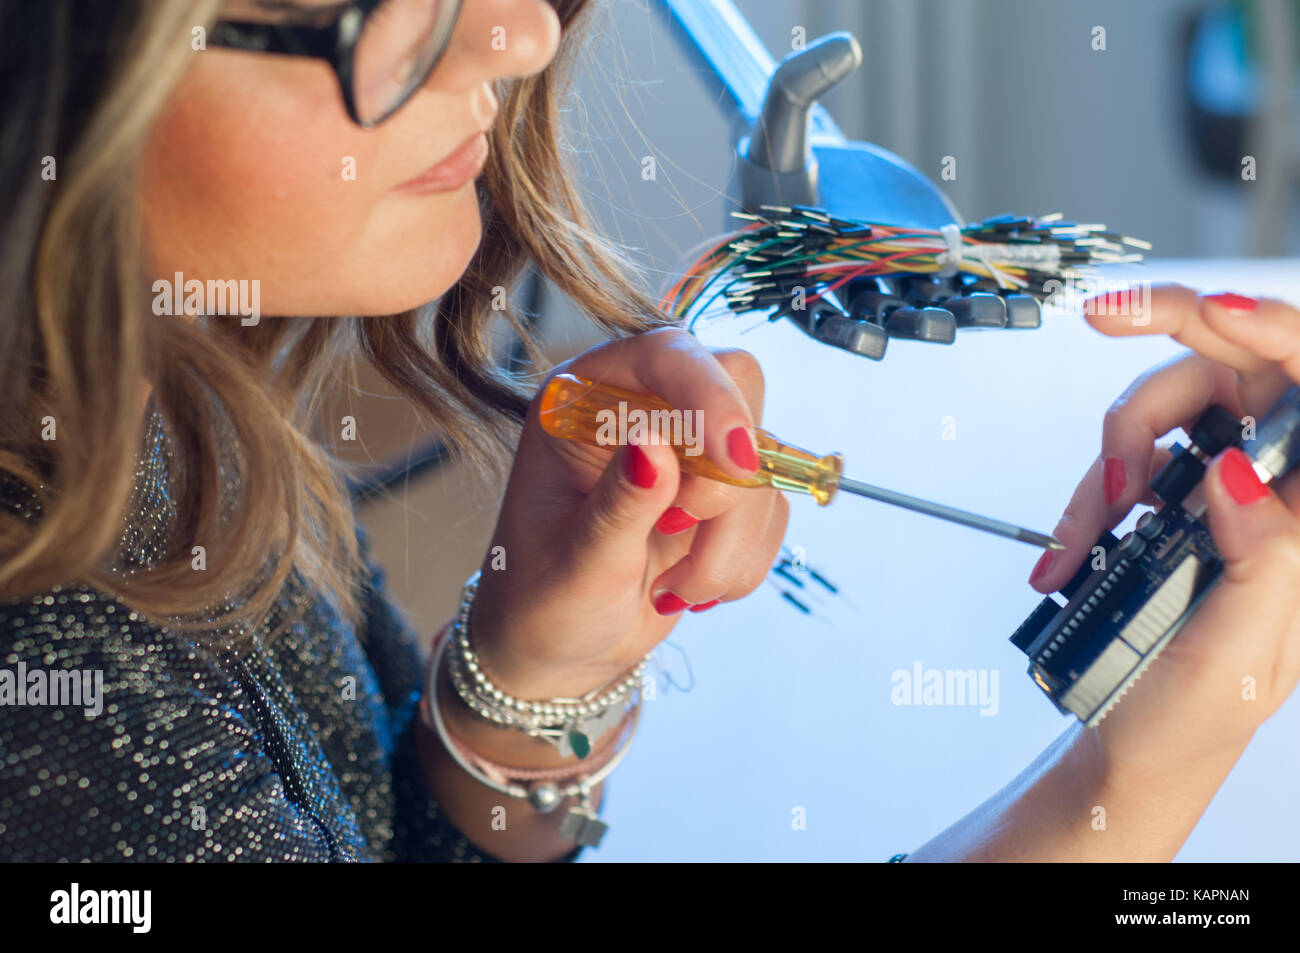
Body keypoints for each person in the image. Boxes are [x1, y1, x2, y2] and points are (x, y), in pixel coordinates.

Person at [1, 0, 1297, 864]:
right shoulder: (52, 693)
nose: (510, 36)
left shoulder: (170, 411)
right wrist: (1159, 753)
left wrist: (529, 685)